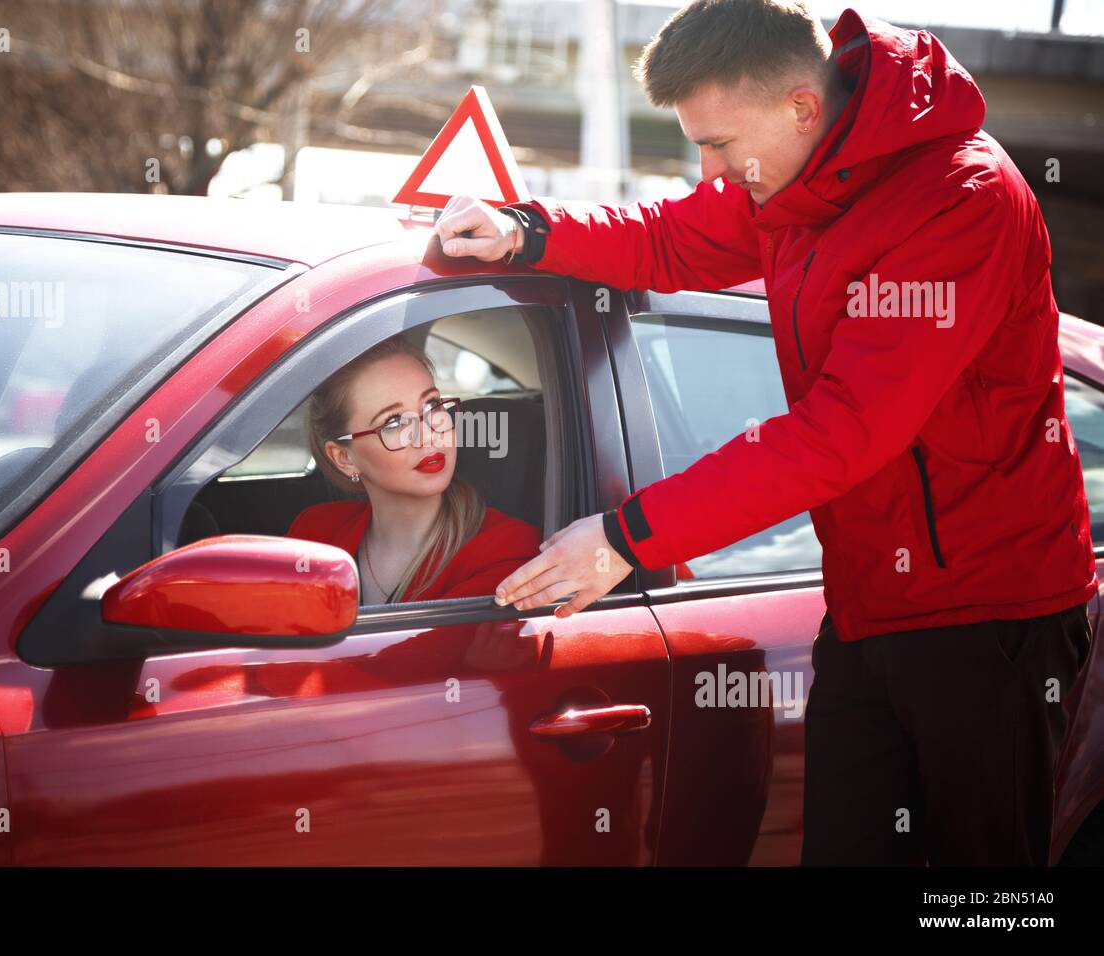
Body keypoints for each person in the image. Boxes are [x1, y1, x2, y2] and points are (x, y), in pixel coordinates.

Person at [436, 0, 1096, 865]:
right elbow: (672, 241)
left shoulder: (957, 201)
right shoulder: (796, 175)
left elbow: (841, 435)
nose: (708, 167)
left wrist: (627, 536)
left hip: (993, 620)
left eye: (716, 144)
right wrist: (528, 231)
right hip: (866, 606)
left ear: (799, 107)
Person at [285, 333, 542, 604]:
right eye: (394, 422)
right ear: (344, 458)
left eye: (431, 405)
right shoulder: (314, 532)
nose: (429, 433)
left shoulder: (507, 548)